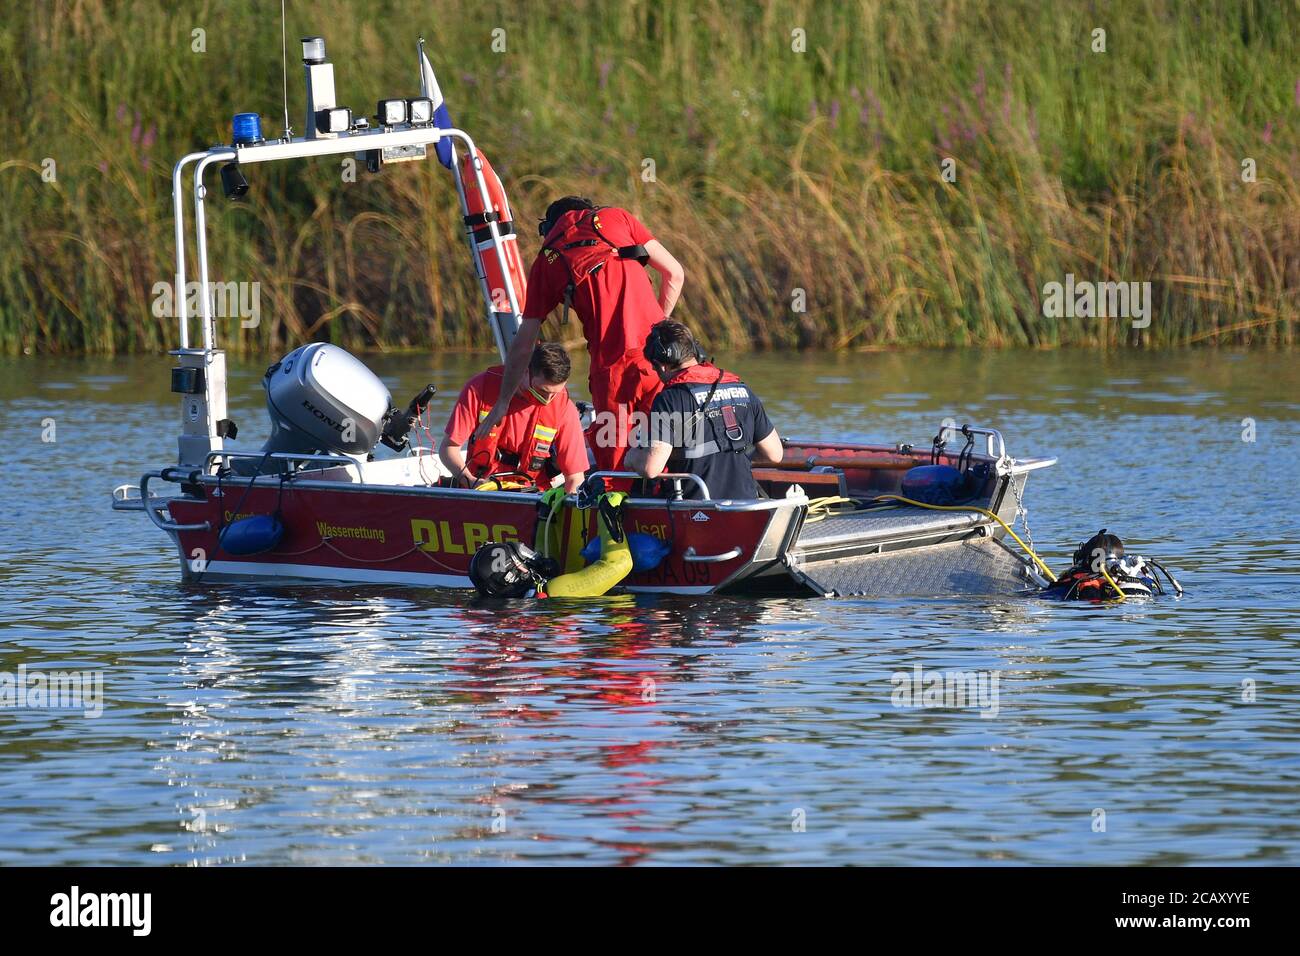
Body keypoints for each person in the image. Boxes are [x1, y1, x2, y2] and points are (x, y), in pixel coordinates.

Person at [471, 196, 685, 472]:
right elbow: (675, 274)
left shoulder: (547, 260)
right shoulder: (617, 216)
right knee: (674, 445)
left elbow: (523, 344)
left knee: (614, 465)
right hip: (664, 361)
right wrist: (658, 329)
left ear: (549, 229)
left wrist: (502, 403)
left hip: (613, 372)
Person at [625, 321, 783, 500]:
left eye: (655, 368)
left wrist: (632, 456)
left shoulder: (670, 399)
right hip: (745, 506)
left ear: (662, 365)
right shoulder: (742, 389)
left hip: (697, 511)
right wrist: (730, 458)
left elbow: (651, 468)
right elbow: (775, 454)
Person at [441, 342, 588, 492]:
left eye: (555, 393)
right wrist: (471, 482)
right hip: (480, 490)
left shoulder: (564, 409)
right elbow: (448, 449)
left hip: (533, 498)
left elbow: (575, 477)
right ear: (524, 371)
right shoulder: (480, 388)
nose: (547, 400)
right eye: (542, 391)